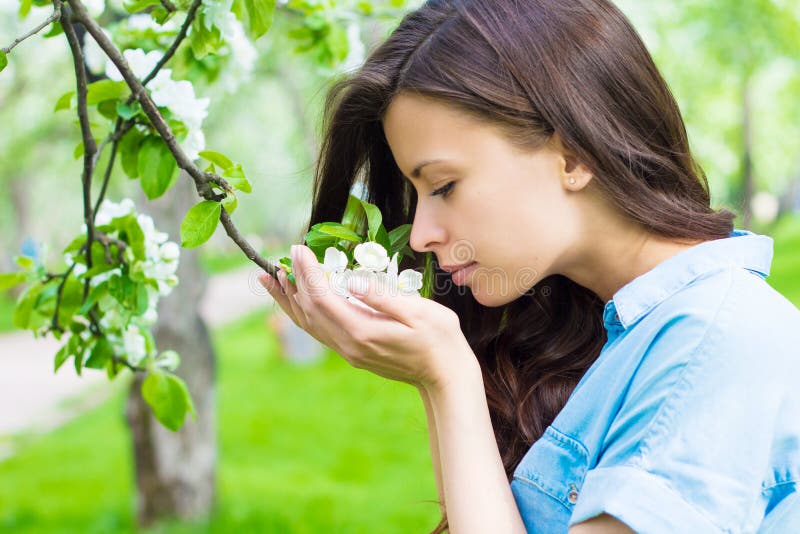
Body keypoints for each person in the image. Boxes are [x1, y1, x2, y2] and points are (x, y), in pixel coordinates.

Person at [257, 0, 800, 532]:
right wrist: (432, 375)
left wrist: (447, 374)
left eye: (444, 186)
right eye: (417, 195)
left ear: (573, 156)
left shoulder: (715, 342)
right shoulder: (611, 329)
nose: (421, 235)